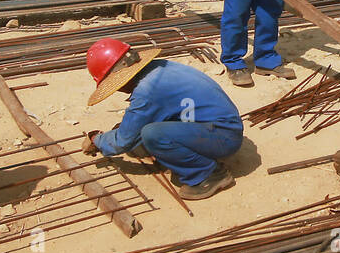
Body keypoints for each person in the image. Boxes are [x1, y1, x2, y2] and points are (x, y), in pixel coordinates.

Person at [80, 38, 243, 201]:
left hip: (224, 136)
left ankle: (207, 174)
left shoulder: (146, 90)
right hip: (220, 126)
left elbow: (124, 140)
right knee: (141, 129)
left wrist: (98, 140)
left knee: (152, 134)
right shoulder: (157, 68)